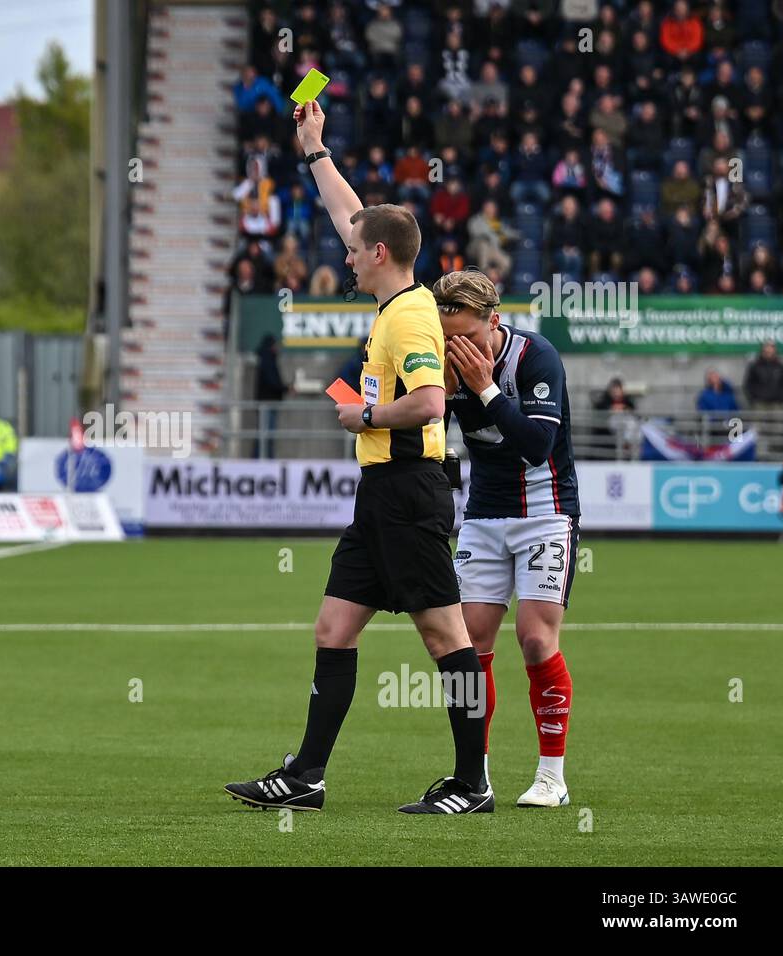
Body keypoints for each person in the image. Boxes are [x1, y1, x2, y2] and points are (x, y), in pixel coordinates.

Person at [224, 99, 491, 816]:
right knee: (333, 629)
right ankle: (306, 776)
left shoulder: (408, 315)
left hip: (410, 492)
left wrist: (364, 415)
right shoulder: (396, 289)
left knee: (445, 637)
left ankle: (473, 784)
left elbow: (432, 403)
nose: (343, 252)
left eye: (352, 247)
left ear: (378, 256)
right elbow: (354, 217)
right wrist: (315, 152)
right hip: (381, 495)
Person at [436, 269, 580, 807]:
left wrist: (485, 389)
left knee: (536, 638)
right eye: (449, 338)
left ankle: (552, 777)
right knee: (468, 647)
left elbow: (537, 444)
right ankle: (478, 777)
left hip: (546, 512)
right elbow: (440, 448)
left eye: (469, 338)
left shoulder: (536, 357)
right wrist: (441, 402)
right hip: (484, 515)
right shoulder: (443, 360)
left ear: (494, 322)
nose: (459, 349)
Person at [253, 334, 288, 458]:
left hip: (267, 402)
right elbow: (272, 382)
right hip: (267, 403)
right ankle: (263, 461)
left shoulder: (265, 359)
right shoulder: (267, 360)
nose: (277, 348)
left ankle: (263, 460)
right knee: (266, 435)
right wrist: (286, 388)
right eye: (275, 345)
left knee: (265, 435)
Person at [744, 341, 783, 411]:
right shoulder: (755, 366)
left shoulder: (780, 366)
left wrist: (781, 398)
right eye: (767, 349)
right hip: (759, 404)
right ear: (763, 350)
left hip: (776, 404)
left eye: (771, 349)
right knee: (758, 422)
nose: (769, 351)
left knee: (778, 422)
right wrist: (753, 399)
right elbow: (748, 384)